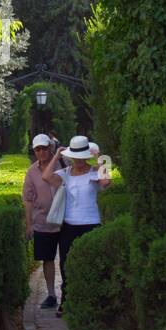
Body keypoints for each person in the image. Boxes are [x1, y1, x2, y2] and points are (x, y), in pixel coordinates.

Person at [42, 134, 110, 318]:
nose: (79, 161)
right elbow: (46, 176)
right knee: (66, 265)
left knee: (92, 264)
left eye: (82, 157)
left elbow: (106, 182)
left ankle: (92, 302)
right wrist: (56, 156)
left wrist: (99, 158)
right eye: (75, 157)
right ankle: (66, 301)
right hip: (69, 226)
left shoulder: (95, 171)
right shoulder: (66, 173)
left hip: (91, 224)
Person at [22, 133, 63, 309]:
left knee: (67, 259)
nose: (41, 152)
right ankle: (51, 295)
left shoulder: (63, 163)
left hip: (66, 220)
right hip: (43, 221)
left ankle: (68, 294)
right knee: (47, 259)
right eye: (37, 149)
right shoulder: (31, 172)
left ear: (50, 148)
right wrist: (29, 223)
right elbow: (27, 198)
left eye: (44, 148)